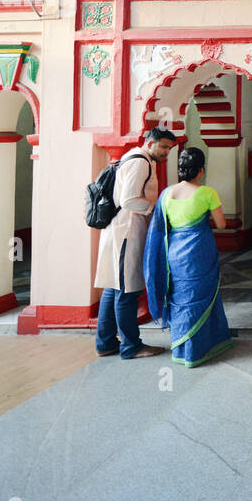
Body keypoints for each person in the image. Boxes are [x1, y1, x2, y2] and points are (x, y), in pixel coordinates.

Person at [143, 147, 233, 368]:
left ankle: (181, 348)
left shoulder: (166, 194)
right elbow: (222, 224)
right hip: (199, 253)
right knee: (201, 296)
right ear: (200, 170)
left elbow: (161, 228)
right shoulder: (207, 193)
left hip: (175, 254)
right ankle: (200, 348)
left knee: (181, 298)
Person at [93, 128, 175, 360]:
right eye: (164, 147)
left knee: (114, 287)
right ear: (150, 143)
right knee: (127, 290)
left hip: (119, 230)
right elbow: (129, 200)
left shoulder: (132, 157)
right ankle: (131, 346)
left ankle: (106, 342)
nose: (166, 152)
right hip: (127, 232)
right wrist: (154, 210)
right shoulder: (141, 162)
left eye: (169, 148)